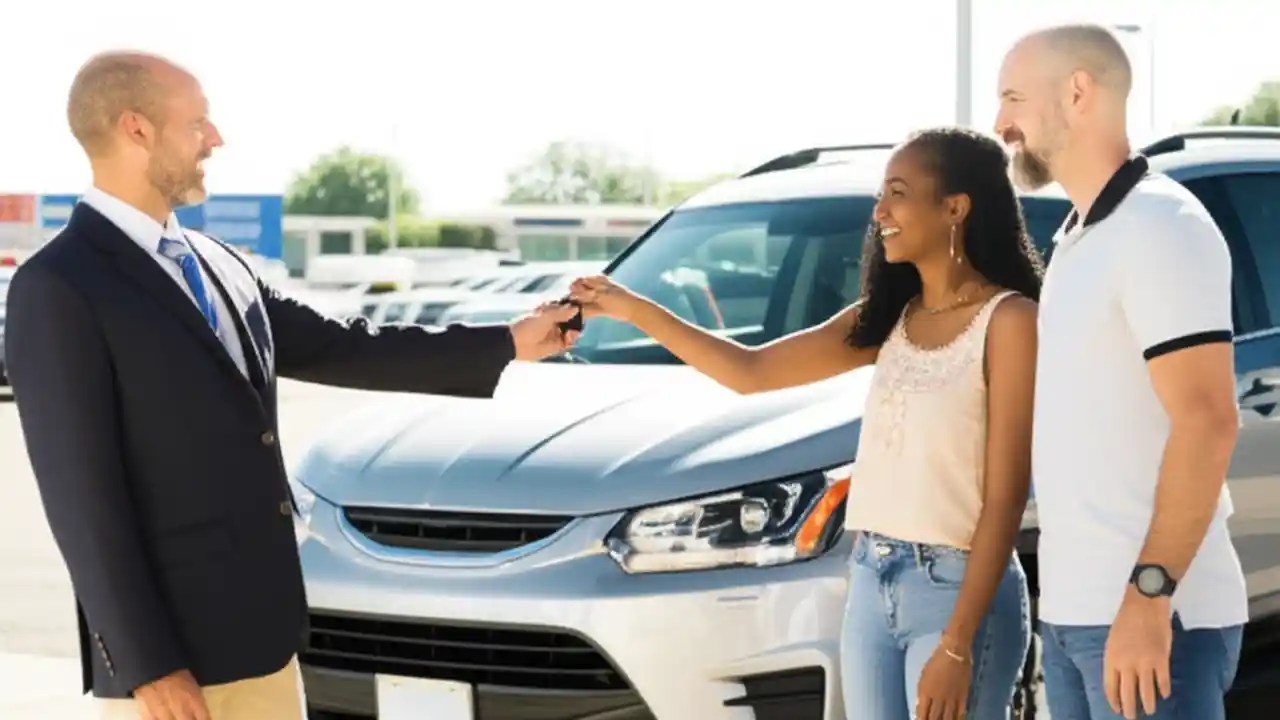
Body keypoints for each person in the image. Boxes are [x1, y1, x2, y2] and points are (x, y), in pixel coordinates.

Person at [3, 51, 579, 720]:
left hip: (265, 646)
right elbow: (82, 500)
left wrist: (507, 342)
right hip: (171, 671)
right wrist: (147, 665)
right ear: (137, 128)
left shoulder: (219, 263)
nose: (215, 139)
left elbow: (343, 345)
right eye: (197, 123)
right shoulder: (59, 286)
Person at [569, 127, 1042, 719]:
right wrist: (631, 307)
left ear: (955, 208)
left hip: (957, 589)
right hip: (871, 579)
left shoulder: (1011, 321)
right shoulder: (889, 318)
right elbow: (750, 370)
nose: (880, 212)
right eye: (881, 195)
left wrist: (958, 641)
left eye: (897, 193)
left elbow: (1006, 498)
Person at [995, 24, 1247, 720]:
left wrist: (1149, 595)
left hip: (1154, 618)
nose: (1000, 124)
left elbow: (1207, 420)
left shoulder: (1160, 224)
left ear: (1078, 92)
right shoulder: (1078, 238)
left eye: (1013, 98)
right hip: (1077, 617)